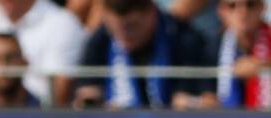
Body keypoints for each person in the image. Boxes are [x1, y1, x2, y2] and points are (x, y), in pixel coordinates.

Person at [75, 0, 216, 109]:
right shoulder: (101, 40)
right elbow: (87, 94)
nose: (124, 34)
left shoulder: (184, 40)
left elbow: (207, 99)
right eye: (116, 28)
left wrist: (189, 103)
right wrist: (96, 106)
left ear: (151, 13)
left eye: (132, 26)